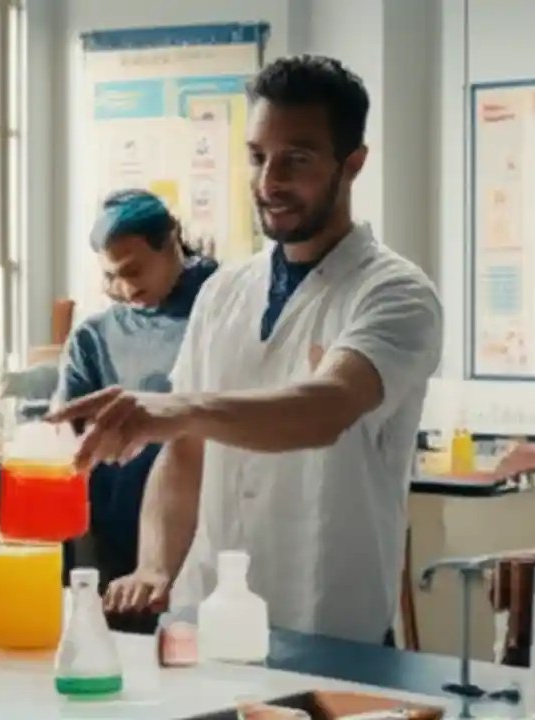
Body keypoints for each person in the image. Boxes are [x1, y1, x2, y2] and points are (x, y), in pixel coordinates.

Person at [49, 55, 443, 644]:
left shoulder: (394, 292)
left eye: (297, 160)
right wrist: (156, 562)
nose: (269, 182)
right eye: (258, 157)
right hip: (201, 624)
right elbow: (184, 454)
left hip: (328, 625)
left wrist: (178, 409)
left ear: (352, 164)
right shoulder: (226, 291)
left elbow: (326, 407)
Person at [55, 189, 217, 629]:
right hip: (117, 542)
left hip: (207, 539)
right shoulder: (94, 337)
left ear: (172, 242)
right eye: (111, 277)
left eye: (134, 271)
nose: (125, 289)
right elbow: (64, 433)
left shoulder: (223, 308)